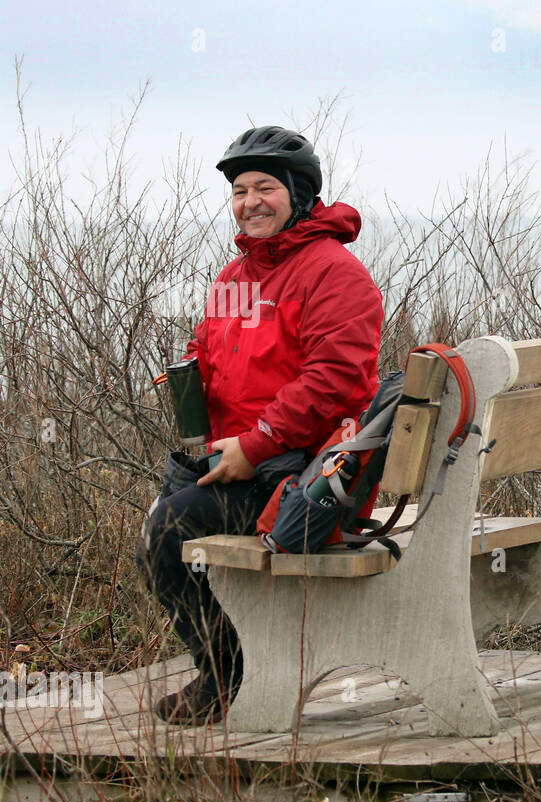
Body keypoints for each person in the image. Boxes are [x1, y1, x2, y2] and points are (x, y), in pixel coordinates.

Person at [138, 126, 383, 725]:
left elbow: (337, 380)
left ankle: (224, 678)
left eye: (266, 188)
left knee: (168, 530)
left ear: (298, 195)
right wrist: (191, 372)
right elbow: (213, 343)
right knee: (163, 523)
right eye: (240, 190)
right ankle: (236, 665)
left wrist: (257, 443)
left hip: (306, 479)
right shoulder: (235, 277)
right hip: (251, 462)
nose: (251, 202)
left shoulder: (334, 274)